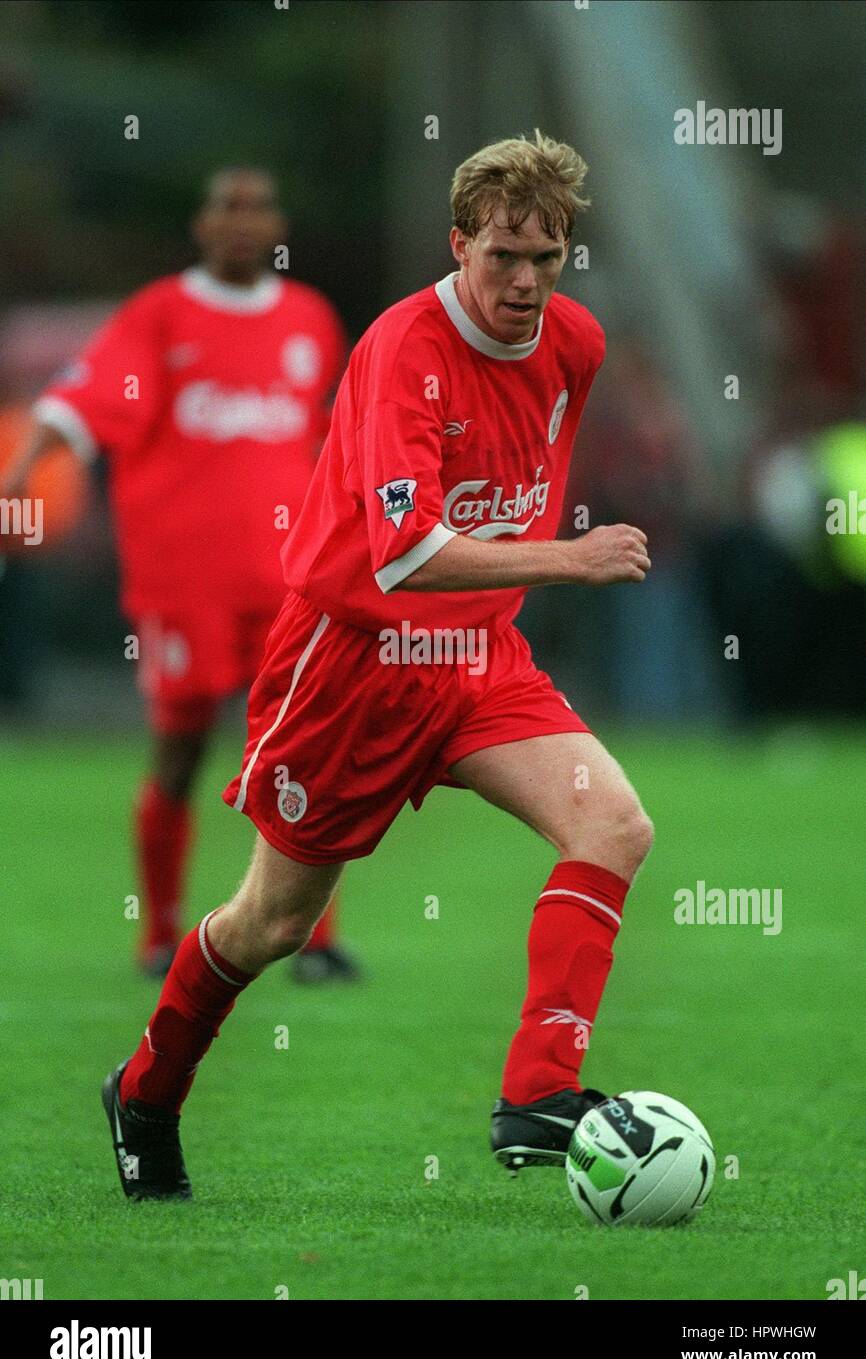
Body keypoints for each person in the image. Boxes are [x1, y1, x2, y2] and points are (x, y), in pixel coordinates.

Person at [102, 131, 654, 1201]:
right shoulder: (401, 348)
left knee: (613, 825)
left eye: (545, 258)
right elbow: (405, 557)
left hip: (477, 658)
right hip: (349, 664)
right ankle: (146, 1088)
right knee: (272, 924)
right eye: (501, 255)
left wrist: (521, 583)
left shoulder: (572, 345)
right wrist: (572, 558)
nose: (524, 282)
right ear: (458, 245)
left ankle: (537, 1093)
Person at [4, 168, 360, 982]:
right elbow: (84, 399)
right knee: (183, 749)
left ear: (279, 223)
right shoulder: (161, 314)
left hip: (289, 582)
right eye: (226, 208)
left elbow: (338, 435)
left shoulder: (310, 320)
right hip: (183, 580)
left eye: (258, 207)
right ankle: (159, 934)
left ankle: (316, 937)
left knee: (307, 754)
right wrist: (27, 462)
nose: (243, 222)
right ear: (201, 225)